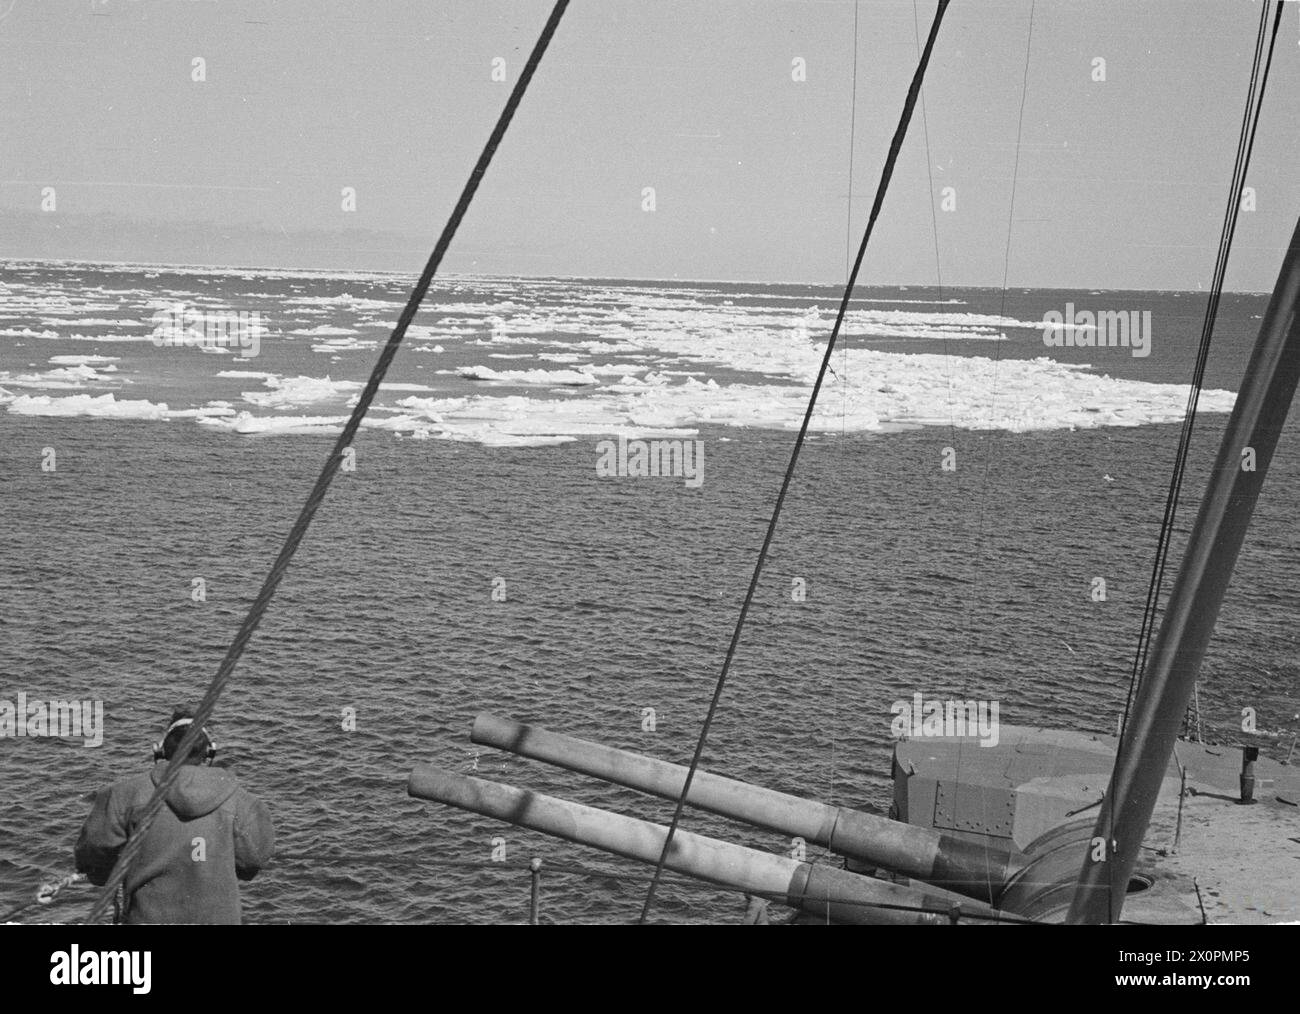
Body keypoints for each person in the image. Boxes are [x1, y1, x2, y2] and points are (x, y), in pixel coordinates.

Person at [74, 707, 274, 924]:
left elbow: (94, 861)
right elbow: (251, 864)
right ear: (210, 752)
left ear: (159, 750)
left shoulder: (123, 795)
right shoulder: (242, 801)